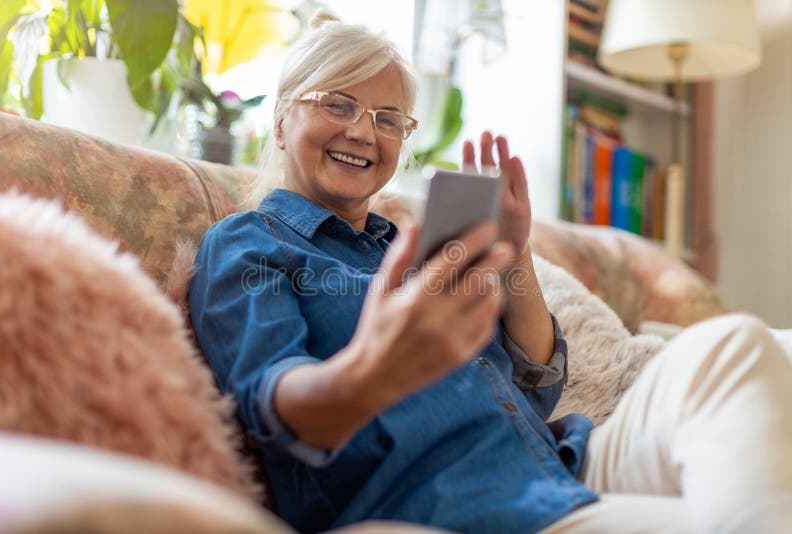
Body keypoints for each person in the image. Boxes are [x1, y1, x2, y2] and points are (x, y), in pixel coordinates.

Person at [189, 11, 792, 534]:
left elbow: (534, 384)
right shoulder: (247, 245)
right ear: (281, 119)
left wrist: (516, 254)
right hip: (450, 503)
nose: (363, 131)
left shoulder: (411, 244)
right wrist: (371, 367)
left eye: (389, 118)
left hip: (560, 462)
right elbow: (272, 406)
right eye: (338, 104)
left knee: (733, 345)